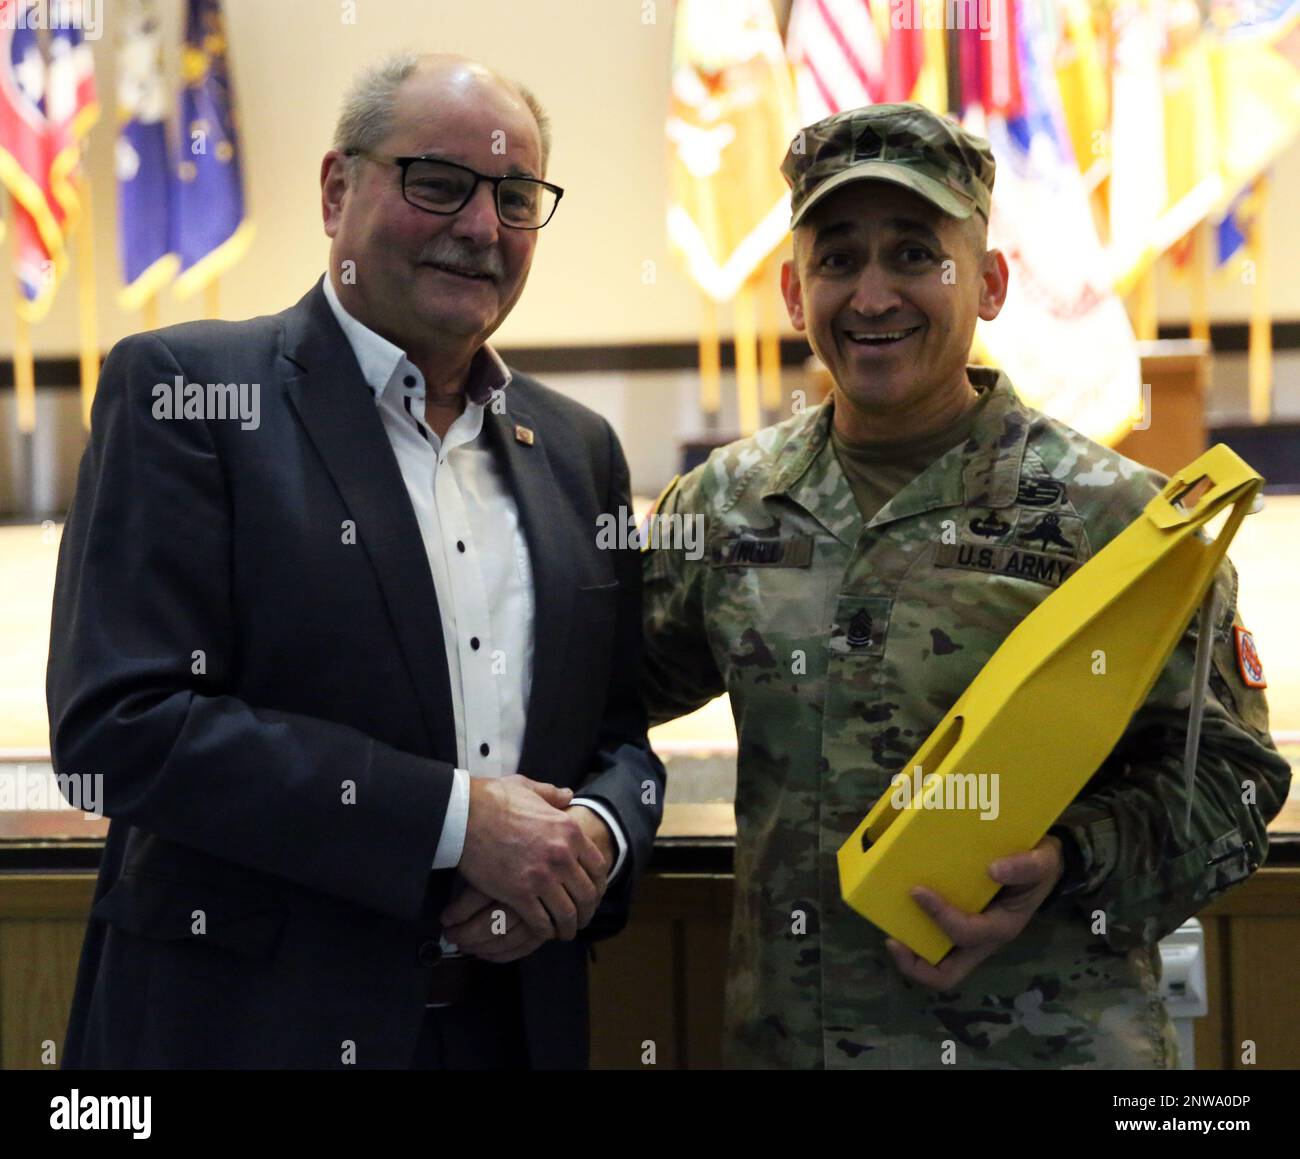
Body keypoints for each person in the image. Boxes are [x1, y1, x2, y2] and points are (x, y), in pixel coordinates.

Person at [641, 103, 1291, 1069]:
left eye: (914, 254)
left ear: (987, 283)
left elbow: (1236, 781)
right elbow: (594, 697)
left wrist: (1073, 862)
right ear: (791, 291)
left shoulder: (1117, 520)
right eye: (837, 258)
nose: (872, 295)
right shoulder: (728, 507)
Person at [47, 52, 663, 1069]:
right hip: (246, 1029)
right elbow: (118, 729)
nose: (480, 227)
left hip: (509, 1026)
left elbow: (619, 737)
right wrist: (463, 824)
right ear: (338, 190)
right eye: (438, 183)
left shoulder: (575, 448)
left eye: (515, 198)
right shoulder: (188, 393)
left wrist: (589, 840)